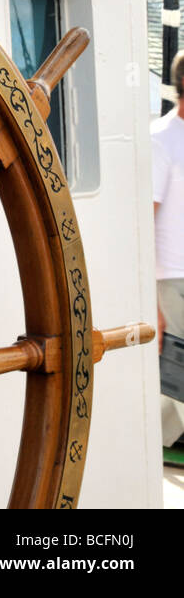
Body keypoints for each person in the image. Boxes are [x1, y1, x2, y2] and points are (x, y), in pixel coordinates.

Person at [151, 50, 184, 447]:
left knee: (171, 390)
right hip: (172, 280)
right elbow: (145, 221)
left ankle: (142, 450)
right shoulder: (160, 141)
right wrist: (151, 304)